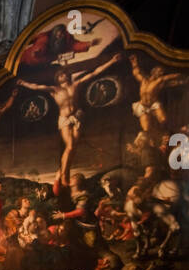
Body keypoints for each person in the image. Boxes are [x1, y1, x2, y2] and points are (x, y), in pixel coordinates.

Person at [18, 52, 124, 180]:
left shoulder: (76, 85)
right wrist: (23, 83)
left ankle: (63, 171)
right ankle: (63, 175)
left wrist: (112, 61)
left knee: (73, 148)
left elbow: (94, 73)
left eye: (65, 73)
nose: (64, 75)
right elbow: (36, 87)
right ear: (58, 78)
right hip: (65, 119)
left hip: (78, 116)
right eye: (61, 74)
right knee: (70, 146)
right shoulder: (54, 90)